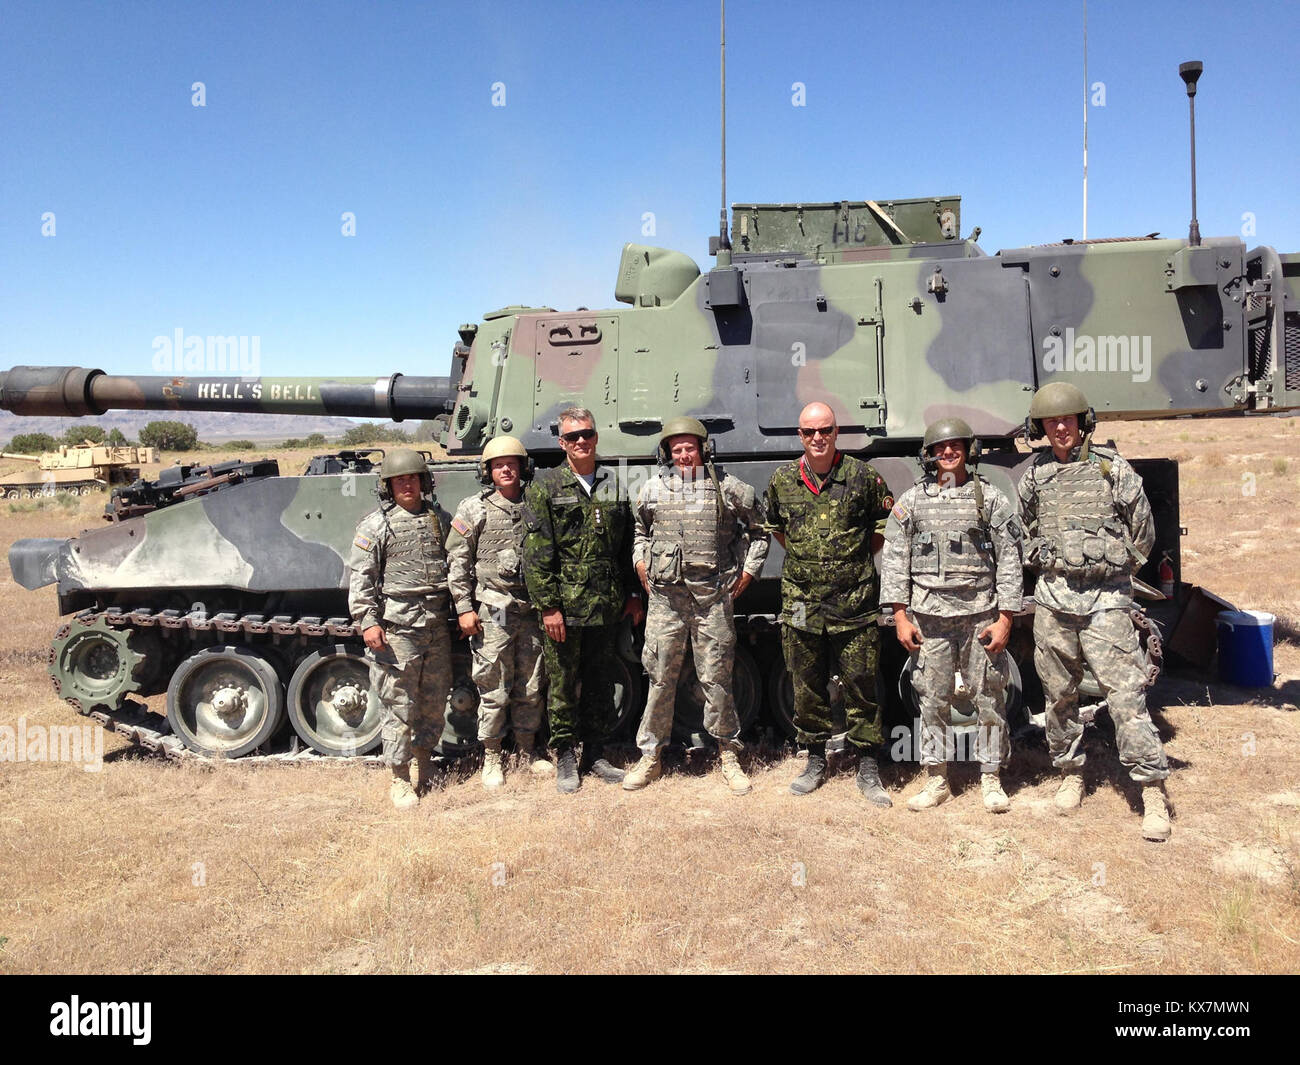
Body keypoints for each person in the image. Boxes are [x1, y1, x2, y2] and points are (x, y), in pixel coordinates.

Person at [1018, 382, 1171, 841]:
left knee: (1126, 695)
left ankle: (1152, 792)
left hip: (1106, 602)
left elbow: (1142, 532)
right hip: (1053, 602)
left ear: (1083, 422)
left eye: (1067, 420)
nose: (1060, 428)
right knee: (1059, 696)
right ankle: (1069, 773)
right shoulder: (1034, 476)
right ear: (1041, 428)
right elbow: (1023, 533)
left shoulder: (1112, 469)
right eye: (1051, 422)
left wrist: (1112, 565)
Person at [880, 417, 1024, 813]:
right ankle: (937, 778)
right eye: (940, 448)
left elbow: (1009, 559)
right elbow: (894, 561)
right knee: (932, 700)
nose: (947, 453)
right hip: (929, 619)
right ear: (928, 455)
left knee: (989, 699)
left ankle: (991, 779)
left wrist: (1006, 617)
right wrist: (900, 616)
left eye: (955, 446)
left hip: (979, 616)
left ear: (968, 450)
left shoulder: (989, 499)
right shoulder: (912, 502)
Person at [623, 417, 769, 795]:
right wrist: (641, 562)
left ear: (704, 449)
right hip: (666, 602)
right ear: (668, 454)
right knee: (659, 678)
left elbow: (760, 530)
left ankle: (728, 755)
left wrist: (748, 573)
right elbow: (639, 531)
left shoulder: (726, 488)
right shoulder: (653, 489)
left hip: (712, 600)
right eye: (677, 449)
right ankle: (651, 756)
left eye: (691, 447)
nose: (684, 455)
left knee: (717, 680)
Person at [764, 401, 894, 803]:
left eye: (825, 430)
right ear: (800, 436)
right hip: (802, 602)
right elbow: (779, 531)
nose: (817, 438)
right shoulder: (783, 480)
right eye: (809, 432)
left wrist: (848, 562)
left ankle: (868, 764)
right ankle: (816, 758)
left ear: (836, 432)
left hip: (853, 600)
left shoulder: (862, 476)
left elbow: (882, 528)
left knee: (861, 683)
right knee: (806, 684)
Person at [522, 407, 645, 793]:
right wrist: (549, 607)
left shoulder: (613, 485)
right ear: (561, 442)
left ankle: (595, 752)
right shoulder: (545, 487)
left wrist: (632, 593)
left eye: (586, 434)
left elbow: (626, 546)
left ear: (595, 437)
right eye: (572, 437)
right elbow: (537, 554)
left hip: (606, 604)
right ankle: (566, 757)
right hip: (566, 608)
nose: (580, 442)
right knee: (562, 683)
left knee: (601, 681)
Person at [347, 449, 452, 810]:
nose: (407, 485)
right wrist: (368, 621)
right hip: (399, 627)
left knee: (434, 701)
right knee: (398, 705)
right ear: (388, 486)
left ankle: (425, 763)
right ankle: (399, 777)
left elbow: (454, 563)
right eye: (399, 480)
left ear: (424, 482)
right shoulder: (376, 525)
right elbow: (361, 577)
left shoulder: (438, 518)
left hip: (436, 623)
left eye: (413, 478)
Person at [447, 435, 553, 789]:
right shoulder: (473, 509)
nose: (506, 469)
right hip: (494, 609)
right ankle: (492, 755)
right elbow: (458, 562)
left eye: (512, 463)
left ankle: (527, 750)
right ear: (487, 471)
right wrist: (464, 607)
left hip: (530, 609)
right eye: (498, 464)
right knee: (493, 684)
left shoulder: (537, 503)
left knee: (531, 684)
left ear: (524, 468)